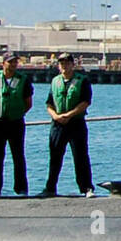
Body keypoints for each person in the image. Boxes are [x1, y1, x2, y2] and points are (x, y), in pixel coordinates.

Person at [43, 52, 95, 197]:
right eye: (62, 63)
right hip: (57, 124)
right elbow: (49, 103)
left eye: (67, 63)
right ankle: (50, 188)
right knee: (55, 156)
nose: (64, 66)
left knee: (80, 156)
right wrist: (56, 116)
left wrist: (69, 115)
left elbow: (85, 102)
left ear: (73, 64)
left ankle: (86, 188)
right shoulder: (55, 81)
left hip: (76, 123)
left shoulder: (82, 80)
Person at [0, 50, 32, 197]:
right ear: (3, 63)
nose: (13, 64)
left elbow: (28, 102)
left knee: (18, 155)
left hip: (15, 122)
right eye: (10, 61)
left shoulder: (23, 79)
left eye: (15, 62)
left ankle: (21, 188)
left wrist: (17, 112)